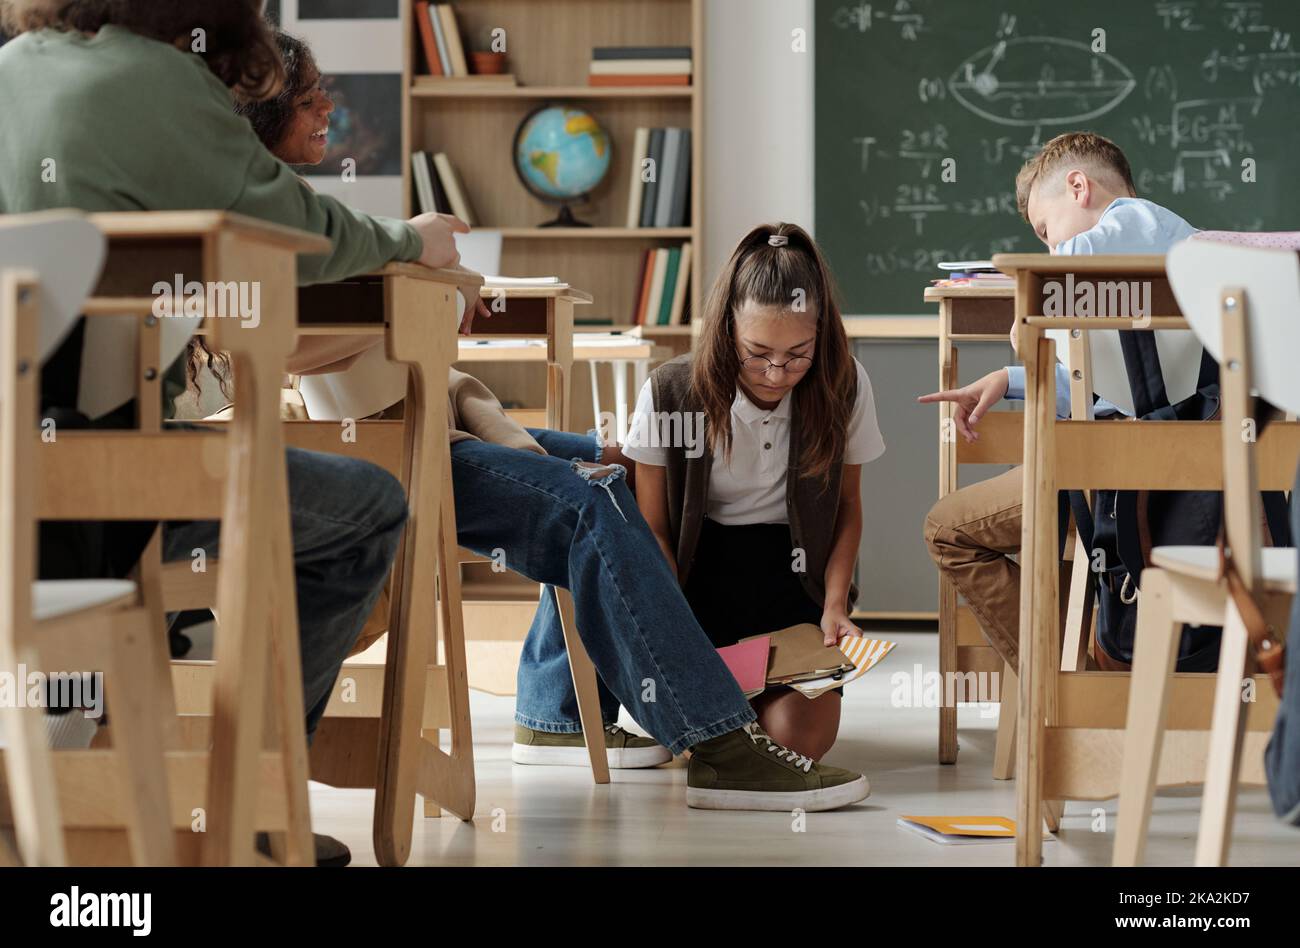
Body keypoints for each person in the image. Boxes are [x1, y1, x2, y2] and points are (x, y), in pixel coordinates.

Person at [0, 0, 869, 818]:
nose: (324, 117)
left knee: (587, 464)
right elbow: (297, 259)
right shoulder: (170, 104)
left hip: (62, 460)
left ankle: (545, 713)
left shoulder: (24, 75)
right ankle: (703, 738)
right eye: (304, 106)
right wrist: (415, 249)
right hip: (211, 456)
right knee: (582, 492)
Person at [514, 224, 884, 764]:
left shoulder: (843, 382)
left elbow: (849, 507)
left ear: (821, 332)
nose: (776, 373)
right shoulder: (673, 388)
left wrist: (834, 606)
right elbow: (655, 526)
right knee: (696, 733)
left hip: (792, 584)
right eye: (756, 352)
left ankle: (736, 712)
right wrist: (675, 627)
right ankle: (586, 716)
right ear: (727, 327)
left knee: (795, 745)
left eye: (796, 353)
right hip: (694, 577)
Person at [917, 131, 1198, 672]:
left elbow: (1054, 316)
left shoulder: (1130, 225)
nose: (1051, 249)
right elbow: (1106, 376)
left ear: (1078, 186)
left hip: (1122, 464)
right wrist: (1010, 376)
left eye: (1047, 231)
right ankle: (1078, 672)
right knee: (1048, 532)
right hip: (1171, 454)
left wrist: (1033, 299)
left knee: (947, 527)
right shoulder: (1183, 249)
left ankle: (1064, 691)